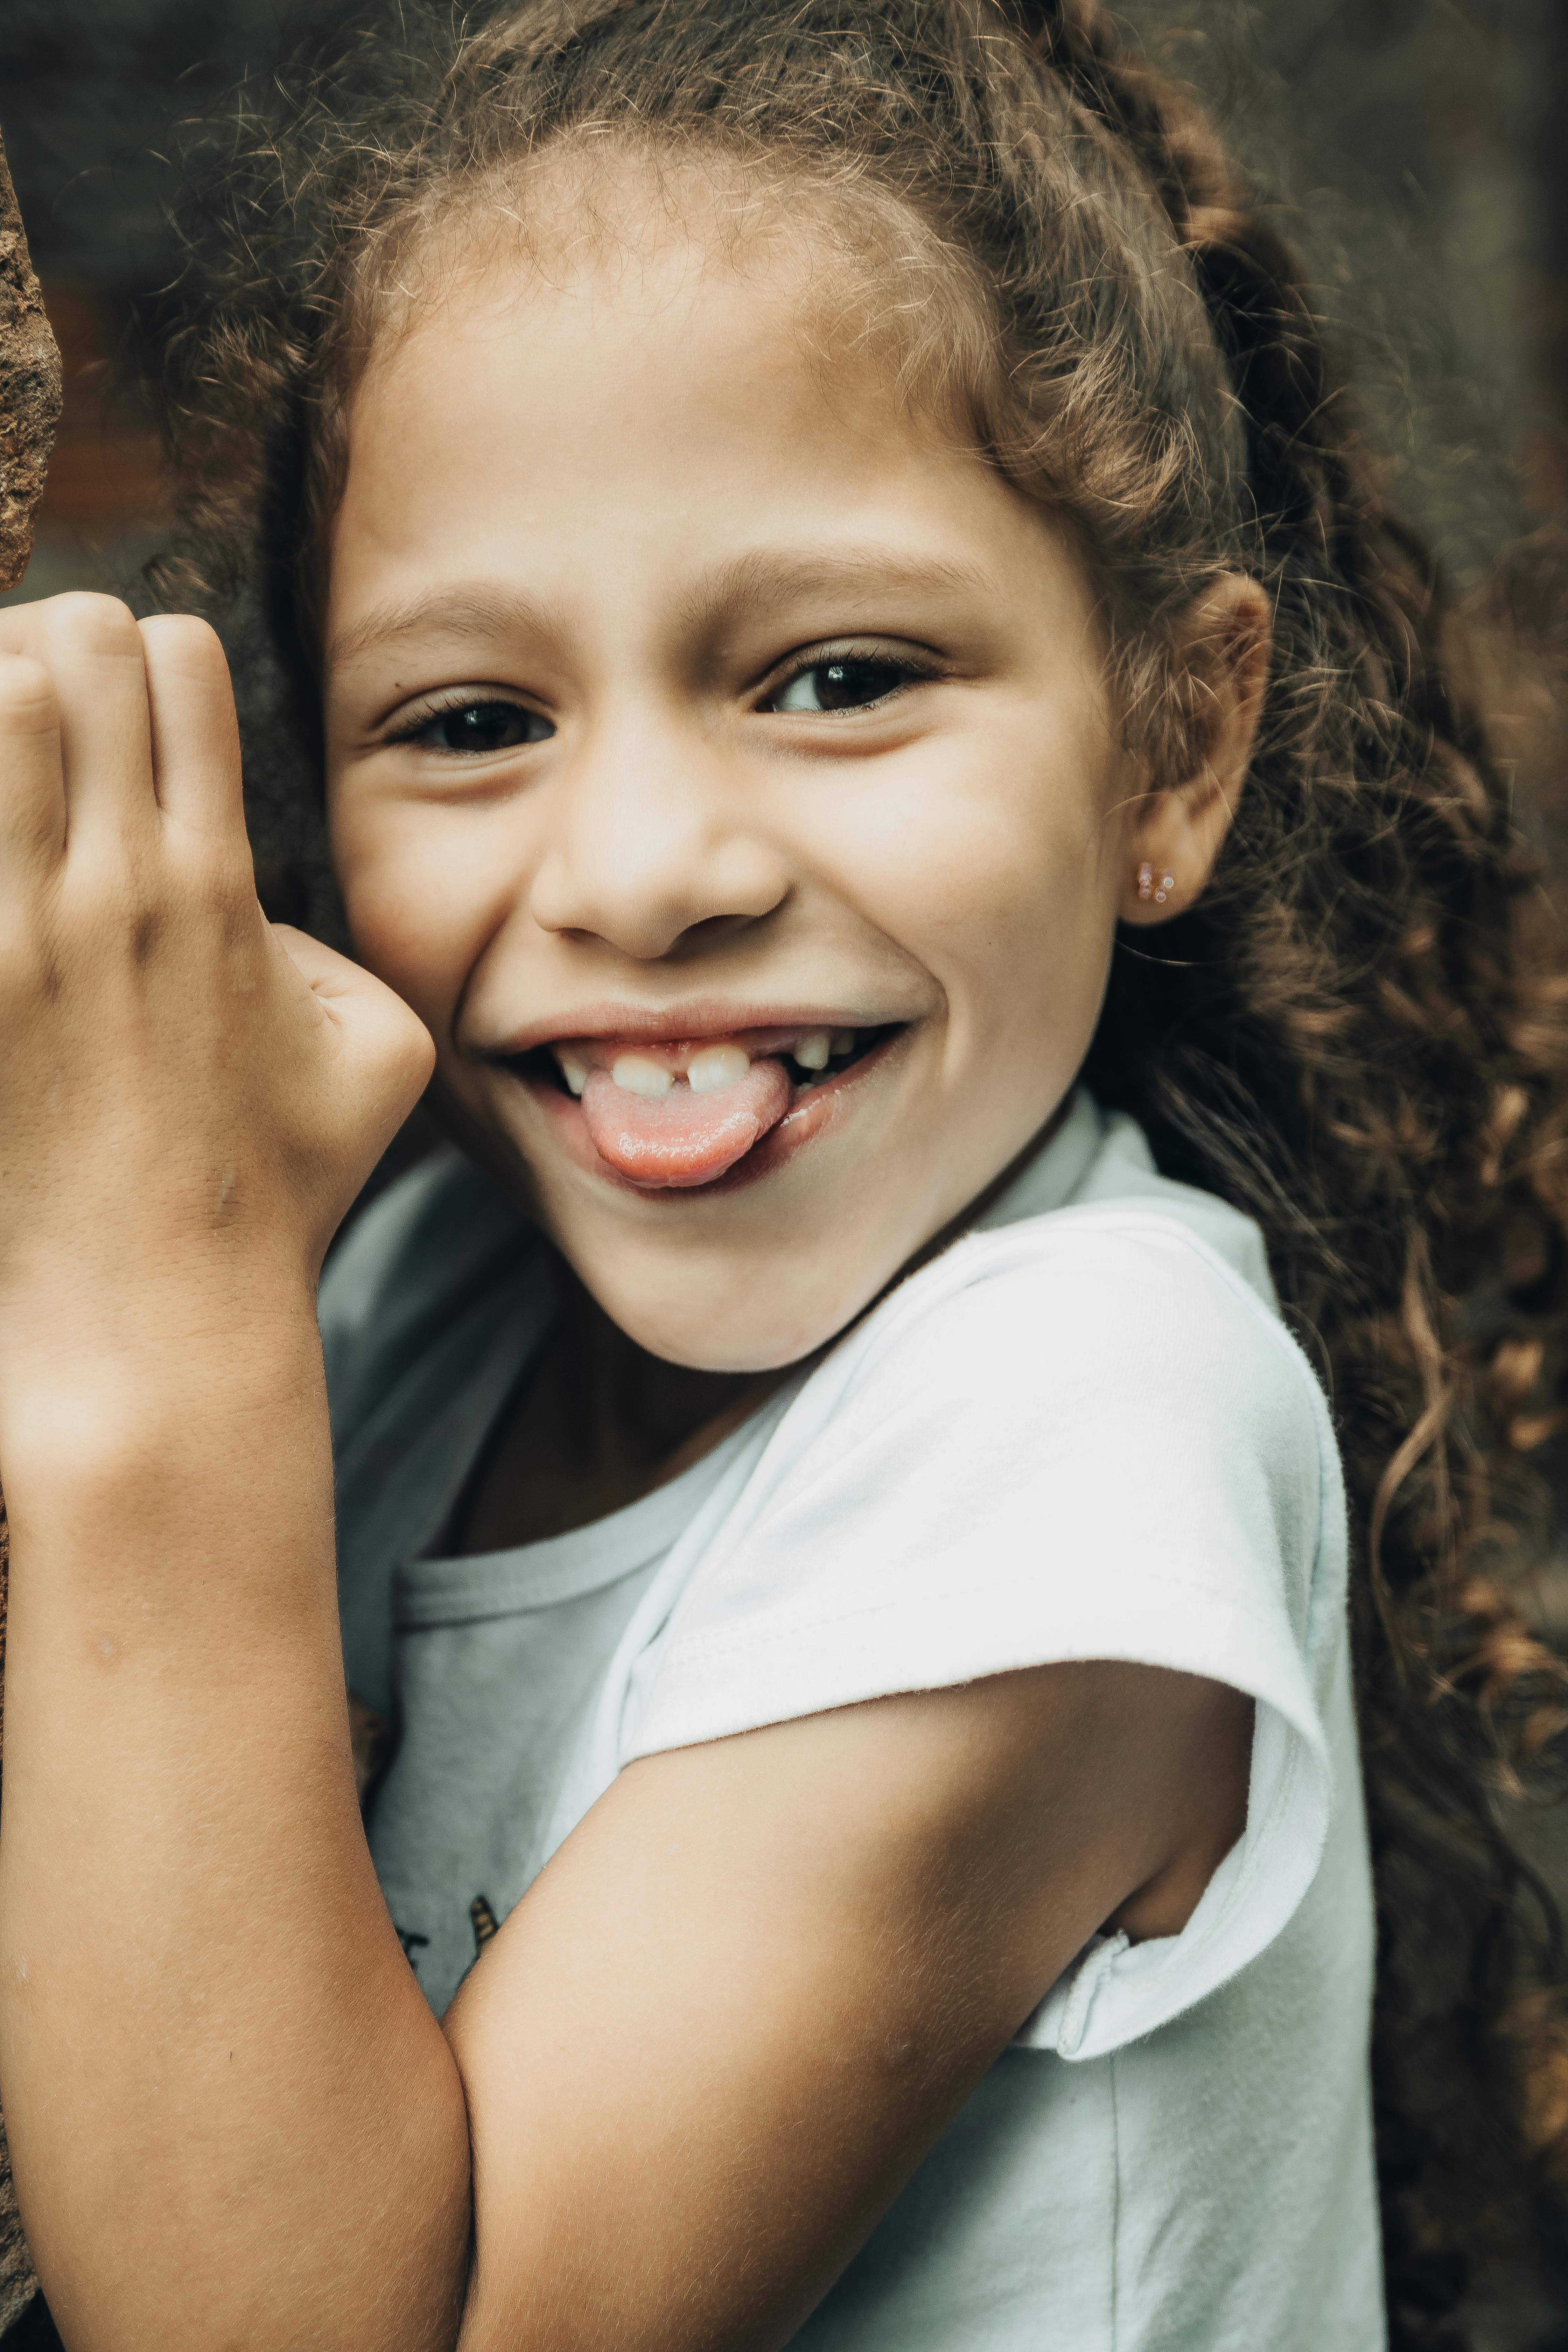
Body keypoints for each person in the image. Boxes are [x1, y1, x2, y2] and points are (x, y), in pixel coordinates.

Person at [0, 1, 1562, 2344]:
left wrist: (151, 1329)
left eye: (838, 678)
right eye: (474, 722)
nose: (642, 871)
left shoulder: (1089, 1407)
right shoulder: (429, 1294)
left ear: (1175, 745)